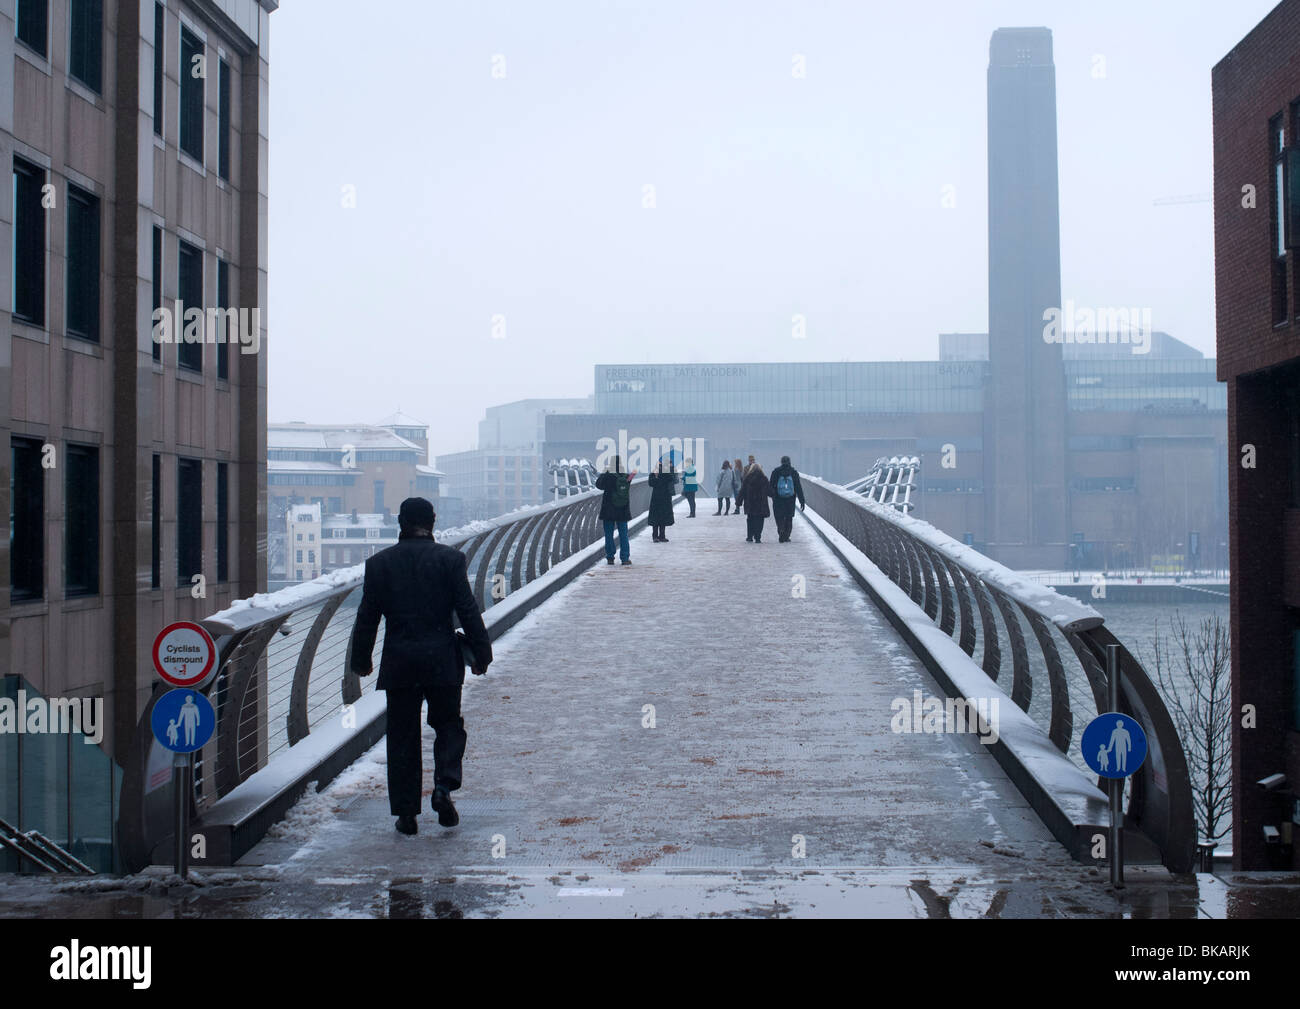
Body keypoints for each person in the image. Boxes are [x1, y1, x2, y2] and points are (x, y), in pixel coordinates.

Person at [348, 496, 493, 835]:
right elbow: (468, 610)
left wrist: (361, 659)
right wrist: (482, 655)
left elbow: (367, 618)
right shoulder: (450, 560)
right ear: (432, 522)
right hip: (442, 660)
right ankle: (443, 787)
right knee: (448, 726)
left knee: (402, 736)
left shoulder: (380, 564)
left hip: (400, 663)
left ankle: (406, 813)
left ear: (400, 523)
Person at [595, 456, 637, 565]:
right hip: (622, 509)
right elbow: (628, 483)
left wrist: (604, 472)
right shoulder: (625, 475)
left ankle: (610, 557)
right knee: (623, 534)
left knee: (608, 534)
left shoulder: (608, 475)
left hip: (609, 508)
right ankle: (625, 558)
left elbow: (598, 485)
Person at [767, 455, 806, 543]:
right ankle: (786, 535)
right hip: (790, 499)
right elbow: (798, 487)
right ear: (789, 462)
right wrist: (802, 501)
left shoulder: (776, 472)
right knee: (789, 517)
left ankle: (781, 530)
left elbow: (771, 485)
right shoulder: (793, 472)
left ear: (781, 462)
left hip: (778, 499)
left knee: (779, 517)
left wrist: (773, 495)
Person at [647, 457, 677, 542]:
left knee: (658, 517)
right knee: (659, 518)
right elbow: (652, 483)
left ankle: (658, 536)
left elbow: (672, 479)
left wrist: (658, 477)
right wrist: (657, 477)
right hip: (661, 498)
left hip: (659, 498)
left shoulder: (664, 473)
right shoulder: (656, 473)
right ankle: (659, 536)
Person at [741, 462, 771, 542]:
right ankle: (758, 537)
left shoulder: (747, 478)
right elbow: (769, 491)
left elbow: (742, 491)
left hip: (750, 503)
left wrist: (739, 501)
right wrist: (775, 496)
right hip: (761, 504)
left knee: (750, 519)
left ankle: (749, 536)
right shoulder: (764, 479)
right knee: (760, 520)